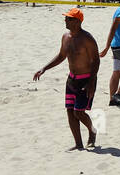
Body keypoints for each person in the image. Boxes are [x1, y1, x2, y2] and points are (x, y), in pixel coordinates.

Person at [34, 9, 100, 151]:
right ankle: (78, 144)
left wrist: (91, 82)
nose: (65, 20)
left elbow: (96, 60)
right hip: (72, 80)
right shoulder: (65, 36)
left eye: (69, 19)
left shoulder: (87, 38)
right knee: (70, 111)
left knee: (79, 112)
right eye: (66, 18)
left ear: (77, 21)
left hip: (86, 79)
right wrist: (44, 68)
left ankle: (92, 130)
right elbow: (62, 55)